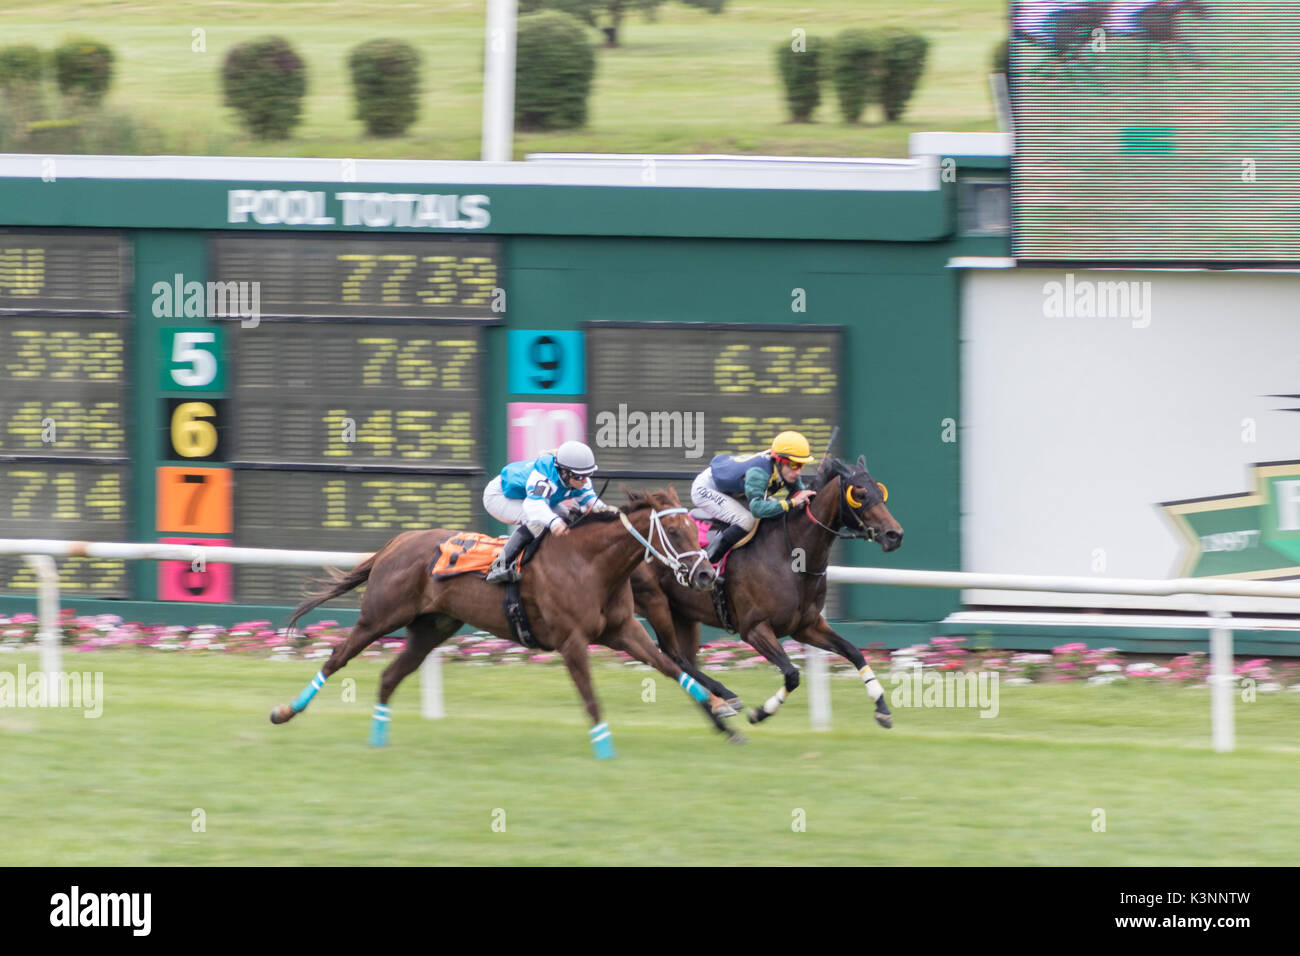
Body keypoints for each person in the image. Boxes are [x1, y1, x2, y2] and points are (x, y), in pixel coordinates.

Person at [482, 440, 615, 584]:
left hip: (527, 498)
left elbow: (593, 504)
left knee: (564, 515)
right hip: (499, 496)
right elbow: (534, 505)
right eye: (579, 477)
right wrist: (553, 522)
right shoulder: (544, 478)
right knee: (538, 521)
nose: (584, 481)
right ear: (564, 472)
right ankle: (499, 566)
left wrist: (613, 516)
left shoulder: (579, 478)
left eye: (588, 475)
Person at [692, 431, 818, 567]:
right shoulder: (759, 472)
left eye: (801, 465)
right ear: (780, 461)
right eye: (794, 465)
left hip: (734, 491)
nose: (798, 472)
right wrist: (792, 502)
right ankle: (709, 562)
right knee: (746, 520)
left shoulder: (784, 469)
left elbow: (800, 492)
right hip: (707, 488)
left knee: (775, 507)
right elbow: (757, 509)